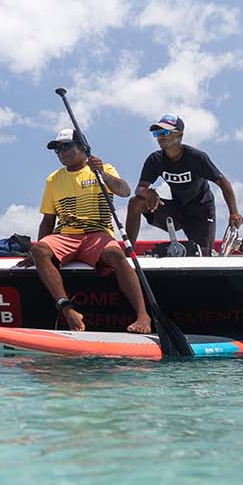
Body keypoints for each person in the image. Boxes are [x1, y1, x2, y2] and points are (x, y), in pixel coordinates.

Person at [32, 130, 151, 333]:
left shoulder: (101, 169)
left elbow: (125, 191)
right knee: (39, 250)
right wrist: (37, 254)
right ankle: (67, 309)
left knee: (115, 254)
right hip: (66, 235)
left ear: (82, 148)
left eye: (66, 147)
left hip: (98, 233)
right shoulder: (53, 179)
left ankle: (142, 316)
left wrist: (102, 172)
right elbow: (48, 220)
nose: (61, 153)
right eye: (57, 150)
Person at [123, 114, 243, 255]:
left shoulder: (197, 157)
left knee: (204, 256)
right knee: (135, 203)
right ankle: (128, 255)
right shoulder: (155, 160)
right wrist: (148, 192)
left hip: (201, 211)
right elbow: (140, 188)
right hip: (177, 209)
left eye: (165, 132)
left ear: (180, 134)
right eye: (157, 133)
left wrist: (234, 213)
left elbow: (224, 183)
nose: (160, 137)